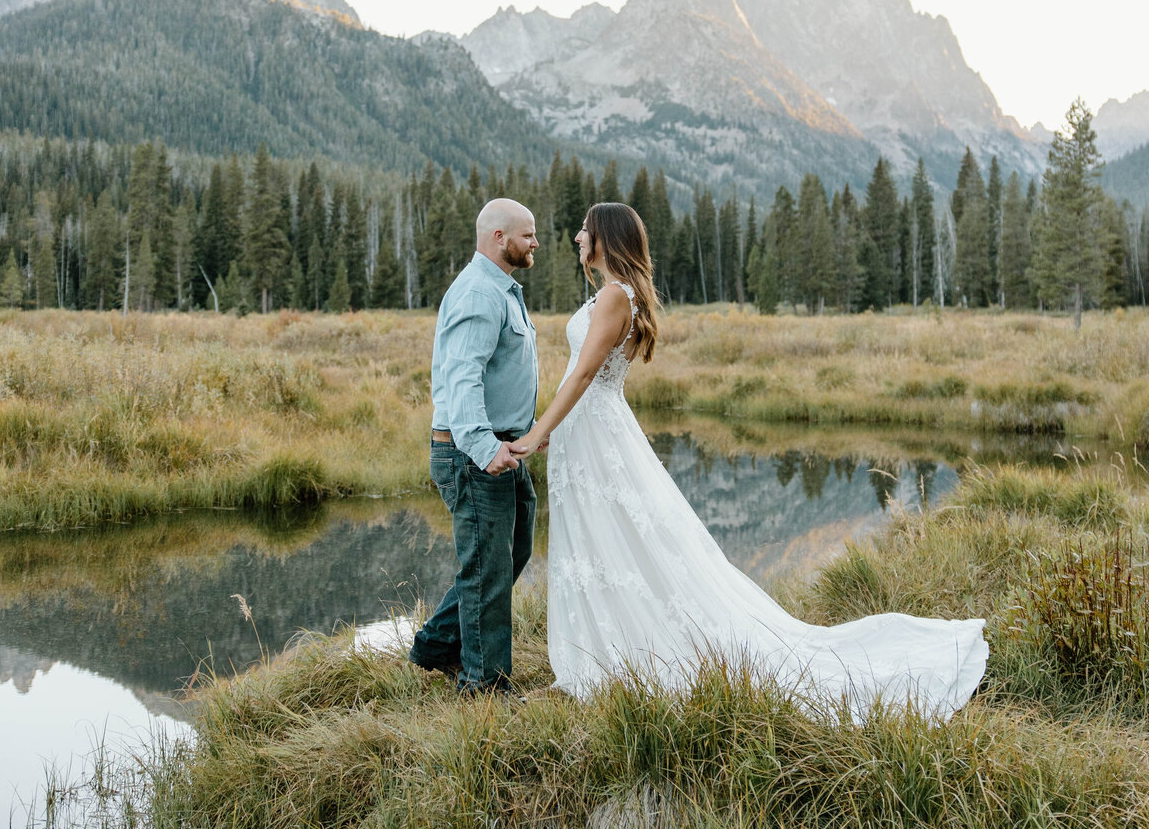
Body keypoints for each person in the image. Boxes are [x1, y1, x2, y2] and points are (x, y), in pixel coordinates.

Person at [512, 202, 988, 719]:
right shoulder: (619, 294)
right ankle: (597, 656)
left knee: (614, 537)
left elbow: (583, 375)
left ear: (606, 237)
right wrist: (557, 433)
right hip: (591, 431)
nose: (577, 236)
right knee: (602, 536)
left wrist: (540, 431)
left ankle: (612, 659)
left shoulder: (611, 297)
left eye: (585, 229)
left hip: (596, 431)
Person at [409, 198, 540, 695]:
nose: (534, 243)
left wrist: (527, 428)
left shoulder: (502, 290)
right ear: (498, 238)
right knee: (487, 570)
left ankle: (437, 645)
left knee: (508, 553)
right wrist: (486, 450)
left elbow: (499, 371)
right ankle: (484, 685)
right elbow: (462, 379)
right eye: (527, 234)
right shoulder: (479, 293)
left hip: (504, 445)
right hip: (474, 453)